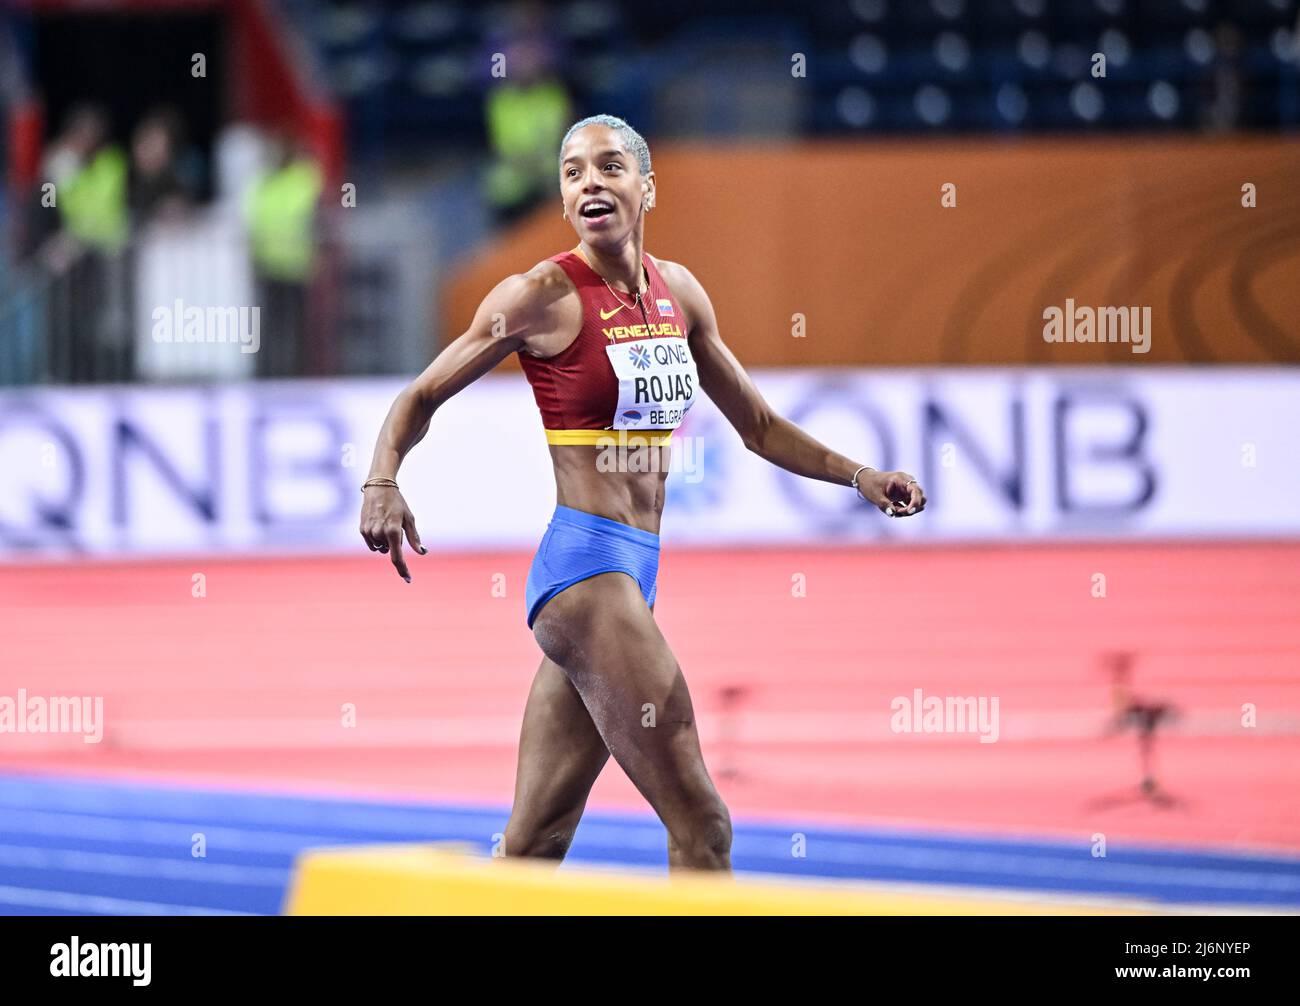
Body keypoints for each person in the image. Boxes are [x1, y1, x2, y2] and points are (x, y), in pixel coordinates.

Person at [359, 114, 926, 872]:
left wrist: (860, 476)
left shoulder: (679, 293)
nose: (589, 180)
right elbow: (420, 395)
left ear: (646, 187)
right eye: (572, 172)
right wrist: (382, 478)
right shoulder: (541, 296)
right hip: (586, 574)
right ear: (564, 201)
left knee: (533, 844)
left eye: (609, 166)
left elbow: (758, 426)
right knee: (704, 825)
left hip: (632, 573)